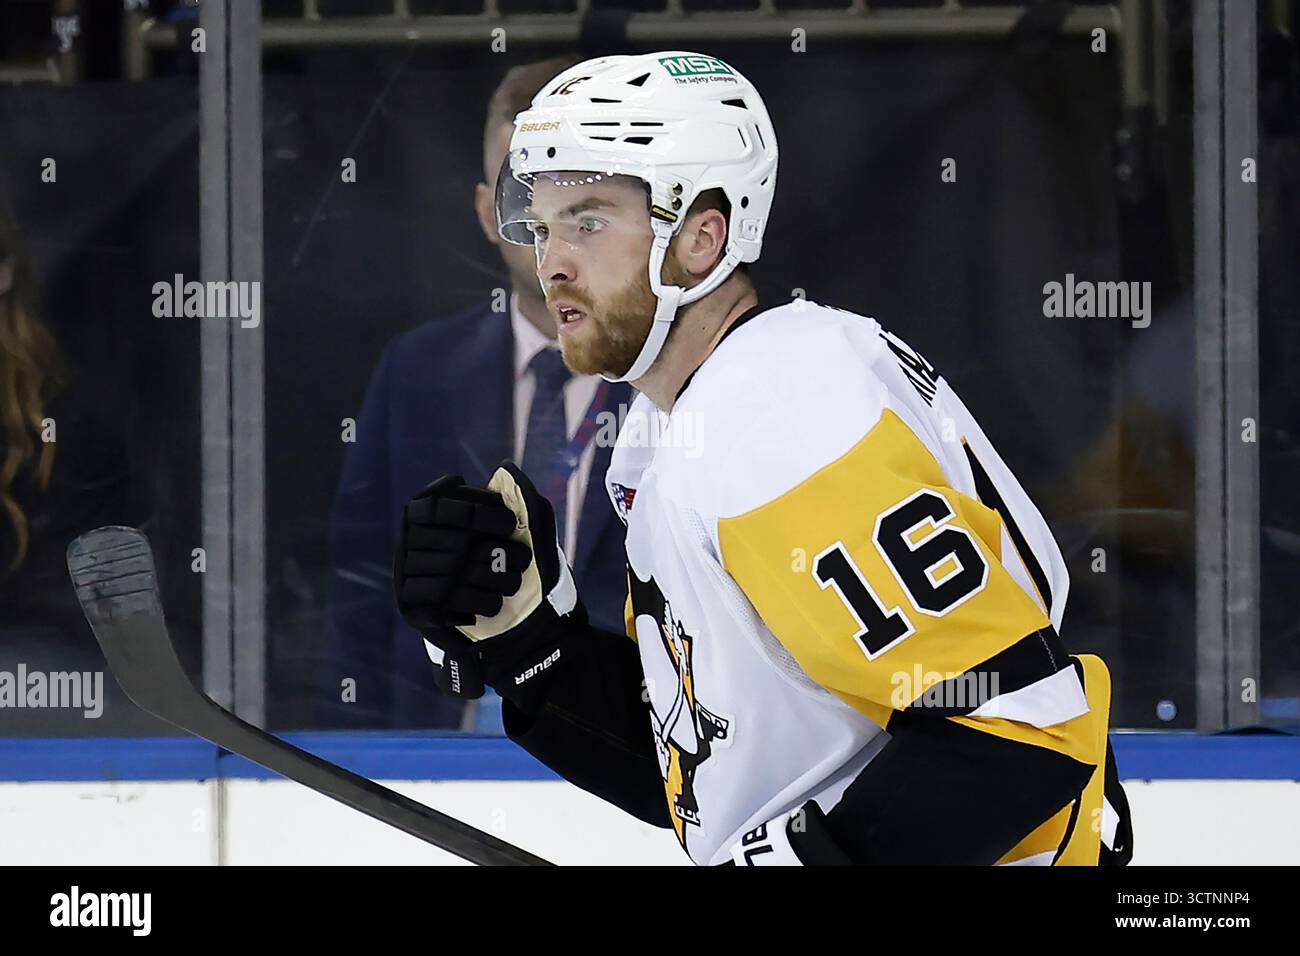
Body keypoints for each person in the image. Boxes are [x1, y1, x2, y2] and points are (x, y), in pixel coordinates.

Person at [392, 50, 1134, 865]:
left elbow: (1017, 722)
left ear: (701, 237)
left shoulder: (782, 413)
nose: (551, 262)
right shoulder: (675, 425)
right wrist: (533, 648)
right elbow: (709, 762)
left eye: (589, 220)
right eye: (541, 227)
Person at [326, 55, 632, 730]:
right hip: (444, 757)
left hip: (639, 749)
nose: (549, 227)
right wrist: (360, 761)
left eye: (578, 197)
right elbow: (360, 587)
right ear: (486, 213)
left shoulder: (680, 385)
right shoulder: (417, 370)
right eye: (523, 193)